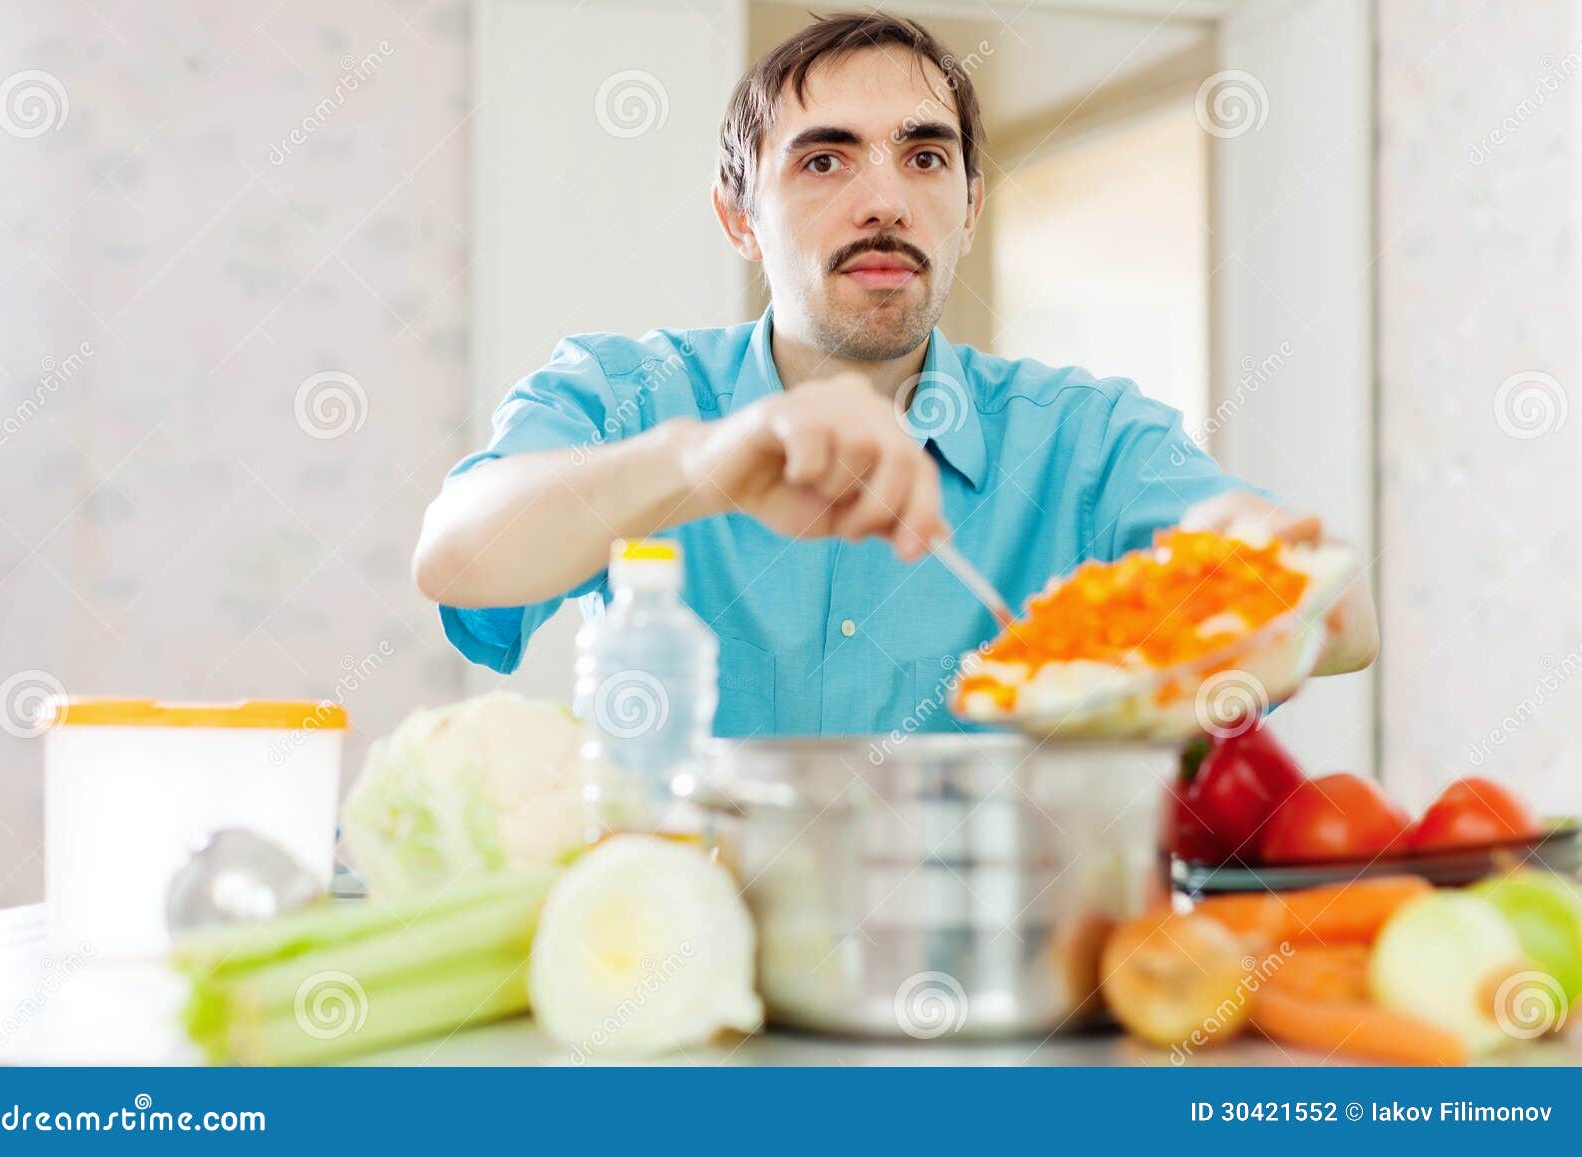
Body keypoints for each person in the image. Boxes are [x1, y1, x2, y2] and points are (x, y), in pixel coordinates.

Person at [413, 11, 1378, 736]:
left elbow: (1342, 621)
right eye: (825, 161)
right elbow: (457, 558)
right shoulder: (624, 394)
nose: (884, 201)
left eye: (924, 156)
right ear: (739, 216)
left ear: (968, 207)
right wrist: (705, 461)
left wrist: (1247, 560)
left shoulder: (1085, 437)